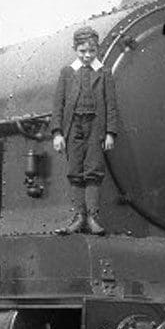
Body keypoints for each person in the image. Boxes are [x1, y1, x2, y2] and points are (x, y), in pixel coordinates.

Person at [50, 25, 120, 235]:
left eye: (91, 51)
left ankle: (92, 218)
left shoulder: (104, 73)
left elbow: (111, 104)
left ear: (96, 50)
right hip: (73, 128)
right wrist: (57, 133)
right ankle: (79, 216)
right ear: (75, 49)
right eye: (83, 51)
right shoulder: (67, 73)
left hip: (95, 127)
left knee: (93, 171)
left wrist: (110, 132)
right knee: (75, 172)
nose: (87, 55)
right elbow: (58, 105)